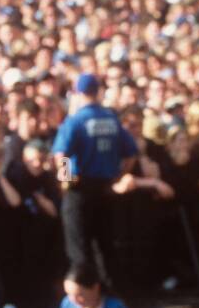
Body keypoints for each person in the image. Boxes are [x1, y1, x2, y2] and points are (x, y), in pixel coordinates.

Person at [51, 73, 138, 281]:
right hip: (106, 188)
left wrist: (66, 179)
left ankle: (85, 291)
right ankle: (112, 290)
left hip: (80, 188)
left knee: (79, 246)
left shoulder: (76, 121)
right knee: (106, 243)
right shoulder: (112, 119)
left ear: (78, 93)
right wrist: (119, 176)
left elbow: (61, 153)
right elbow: (131, 154)